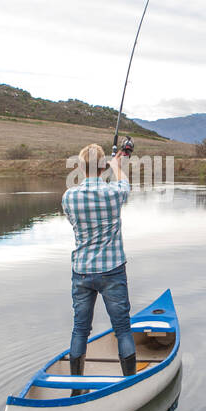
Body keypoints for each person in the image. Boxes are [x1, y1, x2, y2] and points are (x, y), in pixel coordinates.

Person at [61, 142, 136, 377]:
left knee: (80, 330)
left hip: (81, 271)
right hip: (112, 271)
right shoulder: (113, 193)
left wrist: (108, 164)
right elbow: (124, 185)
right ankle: (130, 382)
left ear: (81, 167)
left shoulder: (69, 197)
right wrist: (117, 164)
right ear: (103, 166)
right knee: (122, 329)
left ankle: (77, 386)